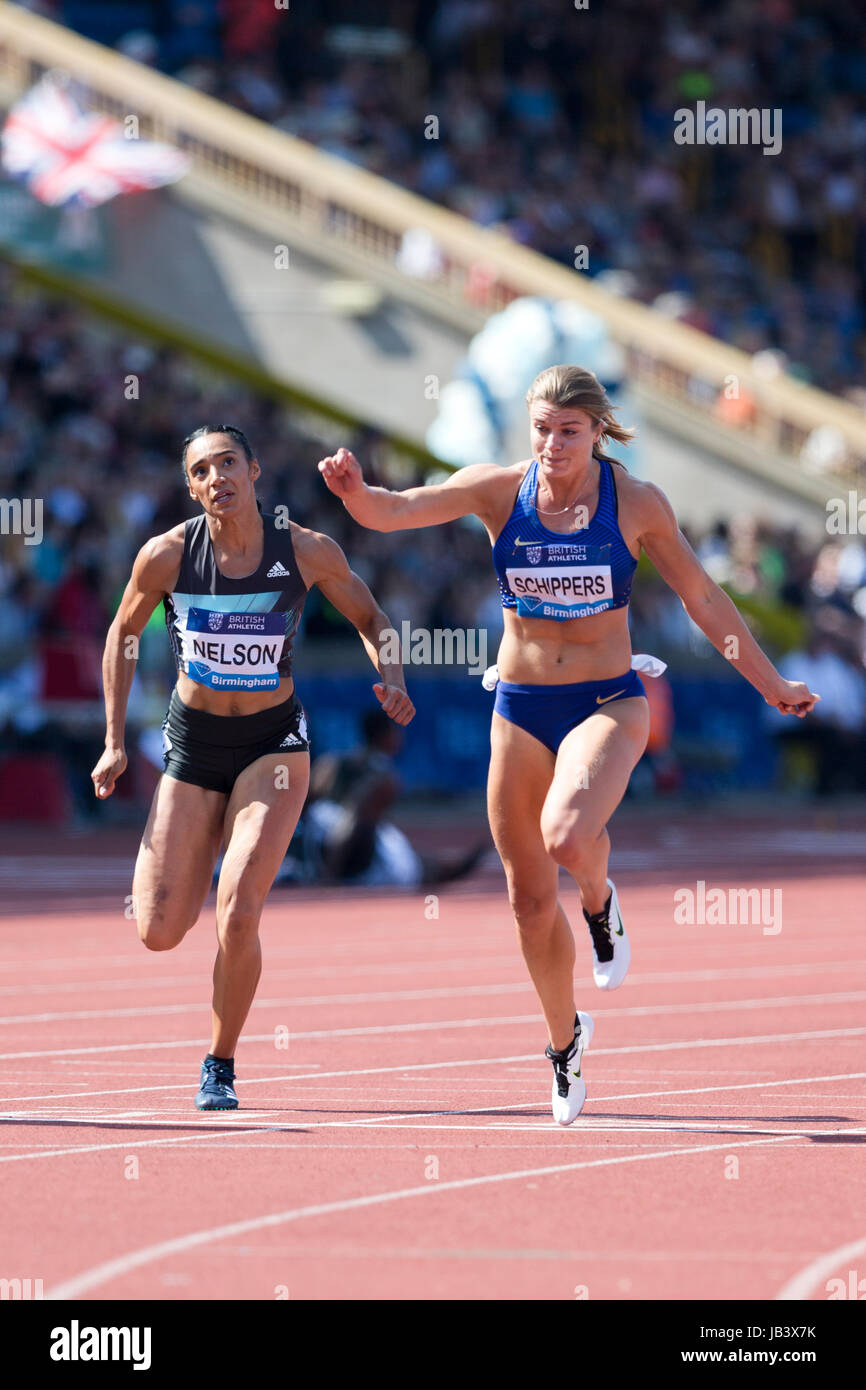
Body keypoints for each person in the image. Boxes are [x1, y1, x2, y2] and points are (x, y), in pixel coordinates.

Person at [318, 365, 819, 1125]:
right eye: (543, 430)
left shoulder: (637, 503)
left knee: (566, 835)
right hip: (518, 708)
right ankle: (564, 1043)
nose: (553, 445)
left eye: (570, 432)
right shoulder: (499, 490)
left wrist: (769, 682)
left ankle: (599, 900)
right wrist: (356, 493)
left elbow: (703, 596)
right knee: (524, 901)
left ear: (597, 431)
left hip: (608, 701)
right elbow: (398, 510)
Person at [90, 425, 414, 1111]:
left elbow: (373, 615)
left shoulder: (303, 550)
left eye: (227, 463)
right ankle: (201, 846)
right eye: (202, 470)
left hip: (274, 746)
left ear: (254, 470)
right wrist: (115, 740)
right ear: (191, 486)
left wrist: (392, 677)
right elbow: (121, 634)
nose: (217, 478)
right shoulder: (167, 555)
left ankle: (220, 1061)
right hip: (193, 744)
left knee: (238, 911)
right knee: (157, 930)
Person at [299, 706, 487, 886]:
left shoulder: (330, 764)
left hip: (321, 847)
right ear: (386, 735)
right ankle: (438, 870)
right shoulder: (383, 779)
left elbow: (304, 806)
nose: (400, 738)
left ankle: (442, 867)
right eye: (396, 732)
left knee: (406, 852)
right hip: (347, 857)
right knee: (407, 863)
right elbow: (356, 814)